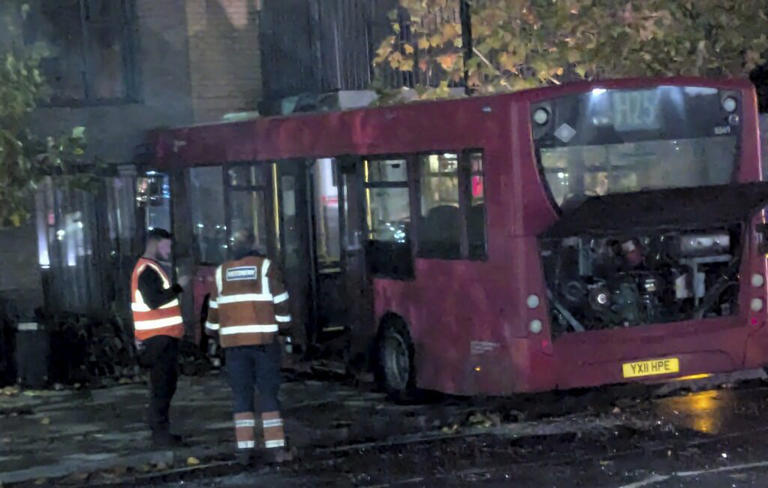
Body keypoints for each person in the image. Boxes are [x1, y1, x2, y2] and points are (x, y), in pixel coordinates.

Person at [205, 230, 294, 465]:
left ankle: (244, 451)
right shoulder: (266, 268)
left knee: (241, 396)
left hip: (233, 346)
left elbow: (214, 309)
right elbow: (281, 302)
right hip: (264, 343)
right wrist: (284, 329)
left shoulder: (222, 272)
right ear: (254, 244)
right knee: (268, 395)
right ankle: (276, 450)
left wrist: (212, 333)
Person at [130, 228, 189, 447]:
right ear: (155, 243)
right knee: (162, 388)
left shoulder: (149, 268)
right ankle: (161, 435)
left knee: (165, 386)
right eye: (167, 245)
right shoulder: (147, 269)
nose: (169, 250)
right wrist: (179, 287)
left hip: (160, 338)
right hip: (159, 340)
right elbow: (154, 300)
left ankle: (162, 432)